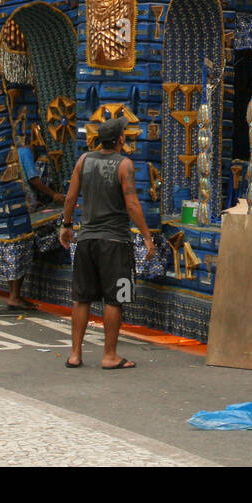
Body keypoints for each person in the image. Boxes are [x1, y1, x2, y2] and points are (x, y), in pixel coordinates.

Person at [58, 117, 154, 370]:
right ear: (120, 139)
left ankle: (75, 354)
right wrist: (146, 236)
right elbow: (132, 204)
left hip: (87, 239)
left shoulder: (83, 160)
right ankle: (109, 355)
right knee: (114, 299)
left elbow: (70, 197)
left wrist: (66, 225)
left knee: (82, 298)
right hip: (116, 242)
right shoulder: (125, 165)